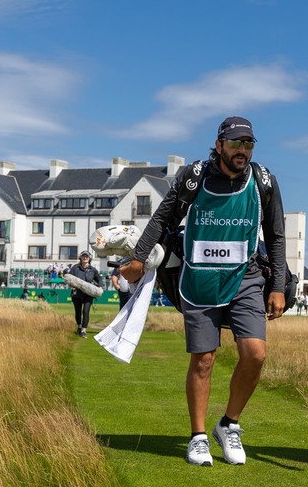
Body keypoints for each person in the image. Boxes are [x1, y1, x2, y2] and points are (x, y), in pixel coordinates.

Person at [119, 116, 286, 467]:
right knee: (204, 360)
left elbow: (276, 235)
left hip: (246, 277)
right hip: (200, 278)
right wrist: (137, 259)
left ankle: (229, 425)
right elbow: (163, 218)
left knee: (255, 354)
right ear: (219, 144)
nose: (243, 150)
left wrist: (278, 286)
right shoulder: (195, 177)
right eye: (237, 143)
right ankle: (197, 438)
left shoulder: (263, 181)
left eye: (249, 144)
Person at [69, 251, 101, 338]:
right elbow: (70, 278)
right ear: (80, 258)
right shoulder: (75, 268)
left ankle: (83, 330)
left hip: (88, 294)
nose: (85, 258)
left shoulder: (92, 270)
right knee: (78, 313)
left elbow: (99, 279)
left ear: (89, 258)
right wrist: (71, 285)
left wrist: (100, 286)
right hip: (77, 294)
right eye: (83, 256)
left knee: (86, 311)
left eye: (87, 256)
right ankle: (79, 326)